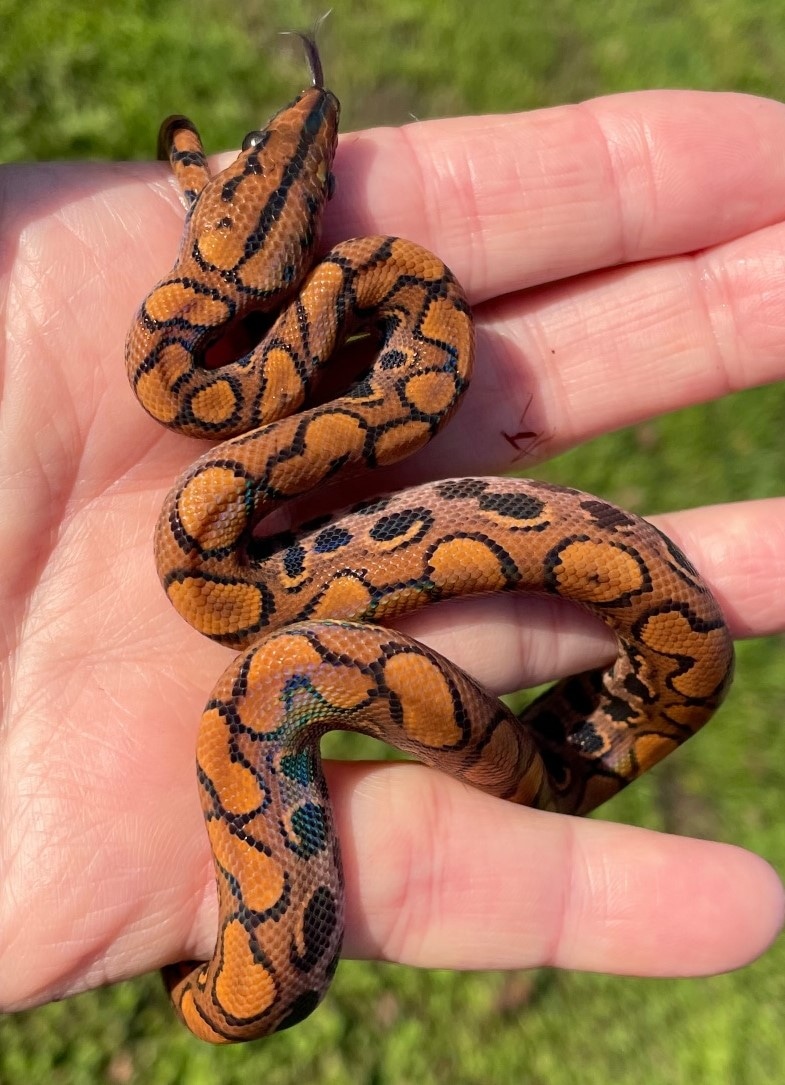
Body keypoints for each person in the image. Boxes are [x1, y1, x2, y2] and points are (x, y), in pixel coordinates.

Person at [1, 88, 783, 1019]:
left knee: (247, 978)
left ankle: (535, 780)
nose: (310, 138)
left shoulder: (234, 424)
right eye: (277, 157)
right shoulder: (363, 292)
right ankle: (538, 781)